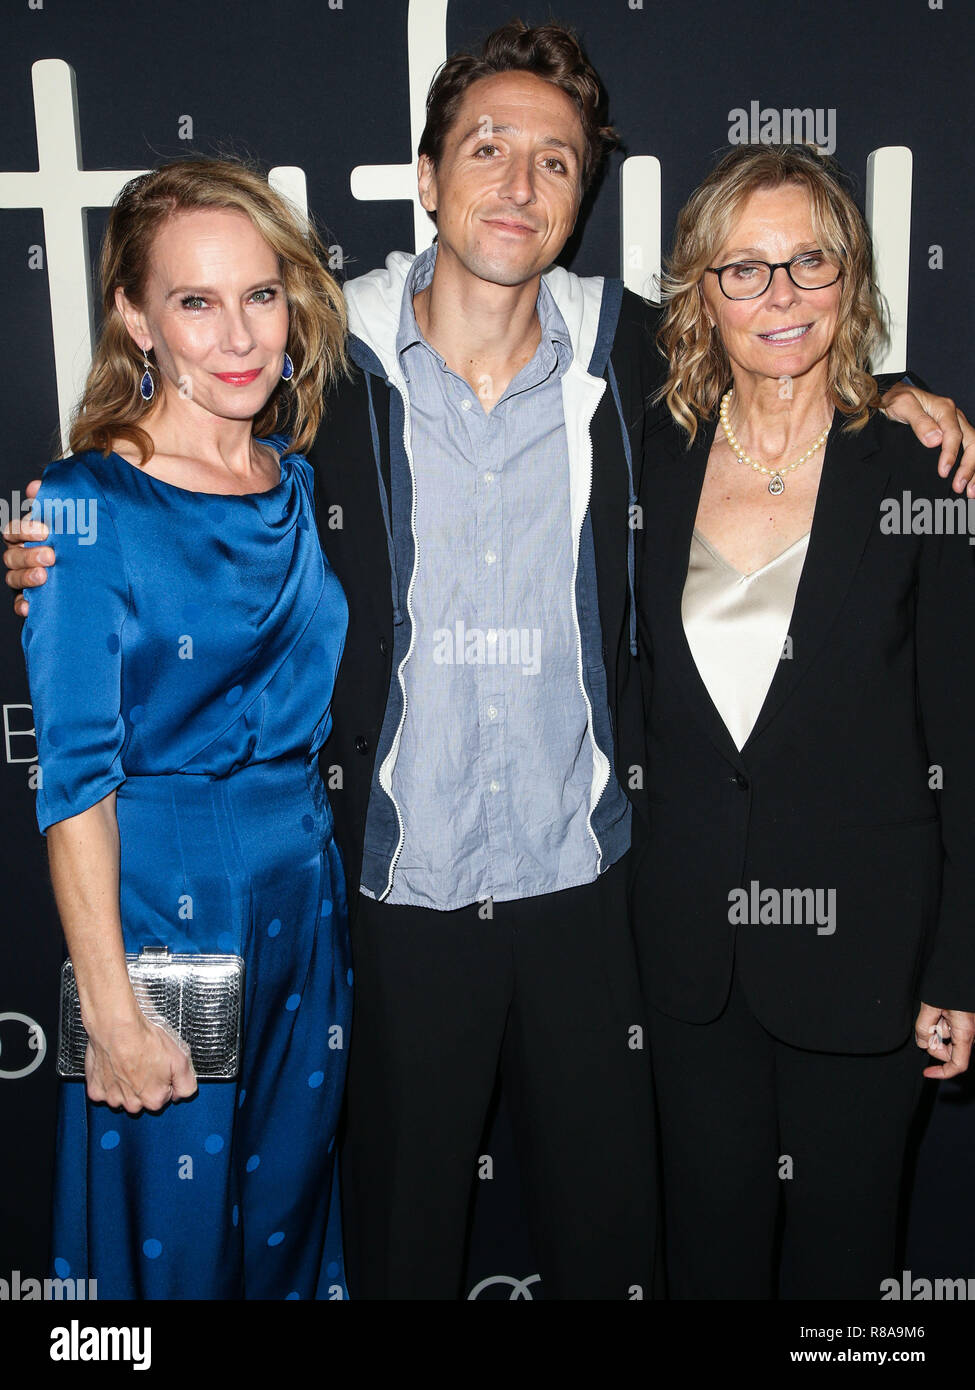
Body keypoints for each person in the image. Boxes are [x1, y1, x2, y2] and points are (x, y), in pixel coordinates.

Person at [7, 23, 973, 1301]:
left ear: (584, 198)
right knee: (351, 1246)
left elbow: (776, 352)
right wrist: (61, 522)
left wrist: (904, 394)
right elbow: (170, 463)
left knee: (613, 1249)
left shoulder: (626, 356)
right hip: (386, 903)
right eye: (488, 149)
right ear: (426, 175)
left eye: (557, 163)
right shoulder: (318, 367)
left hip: (592, 897)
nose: (520, 185)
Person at [635, 143, 975, 1300]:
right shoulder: (652, 455)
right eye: (745, 269)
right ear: (700, 291)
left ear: (851, 276)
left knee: (845, 1269)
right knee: (709, 1261)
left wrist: (962, 966)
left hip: (867, 955)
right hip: (688, 962)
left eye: (808, 262)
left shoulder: (917, 466)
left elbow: (963, 738)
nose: (780, 297)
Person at [16, 158, 352, 1299]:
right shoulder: (82, 505)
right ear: (134, 317)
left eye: (261, 295)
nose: (238, 334)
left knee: (283, 1227)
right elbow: (72, 783)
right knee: (170, 1240)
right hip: (165, 915)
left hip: (305, 900)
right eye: (195, 301)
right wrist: (111, 1010)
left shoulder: (293, 479)